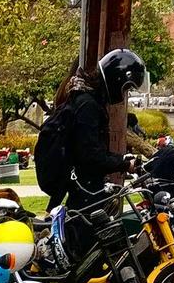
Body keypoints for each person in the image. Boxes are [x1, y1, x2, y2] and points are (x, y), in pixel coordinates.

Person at [36, 49, 146, 208]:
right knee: (89, 228)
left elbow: (91, 149)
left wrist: (121, 160)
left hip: (80, 185)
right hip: (83, 189)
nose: (123, 94)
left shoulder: (86, 100)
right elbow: (91, 156)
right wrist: (124, 164)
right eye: (125, 88)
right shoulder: (88, 106)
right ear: (116, 81)